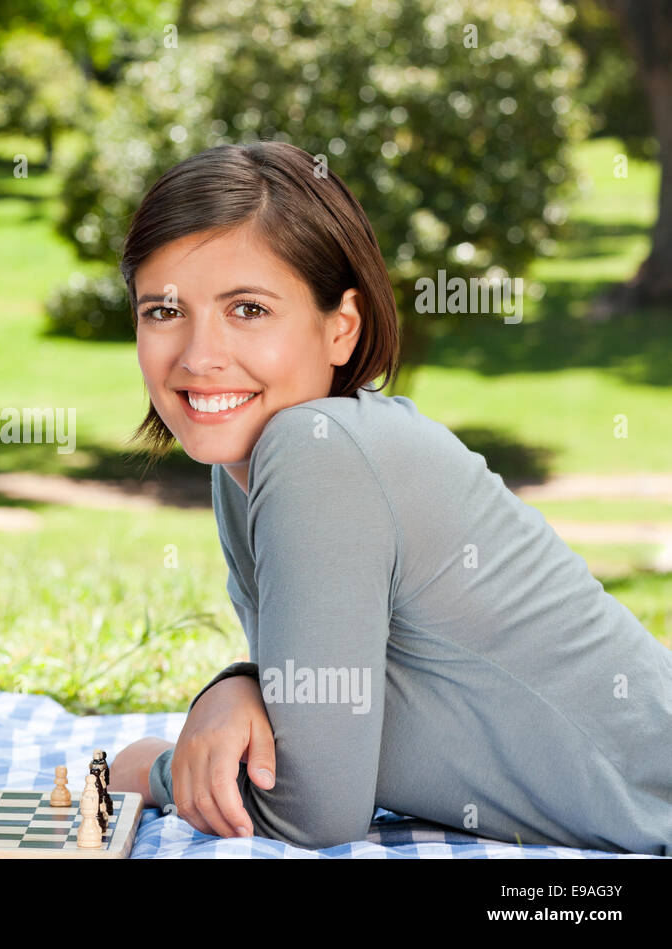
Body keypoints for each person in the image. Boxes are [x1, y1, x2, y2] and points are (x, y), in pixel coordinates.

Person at [108, 142, 672, 855]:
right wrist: (239, 683)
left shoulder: (316, 450)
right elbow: (325, 709)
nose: (197, 355)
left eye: (248, 308)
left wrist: (155, 770)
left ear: (341, 326)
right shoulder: (248, 458)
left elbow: (313, 809)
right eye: (164, 310)